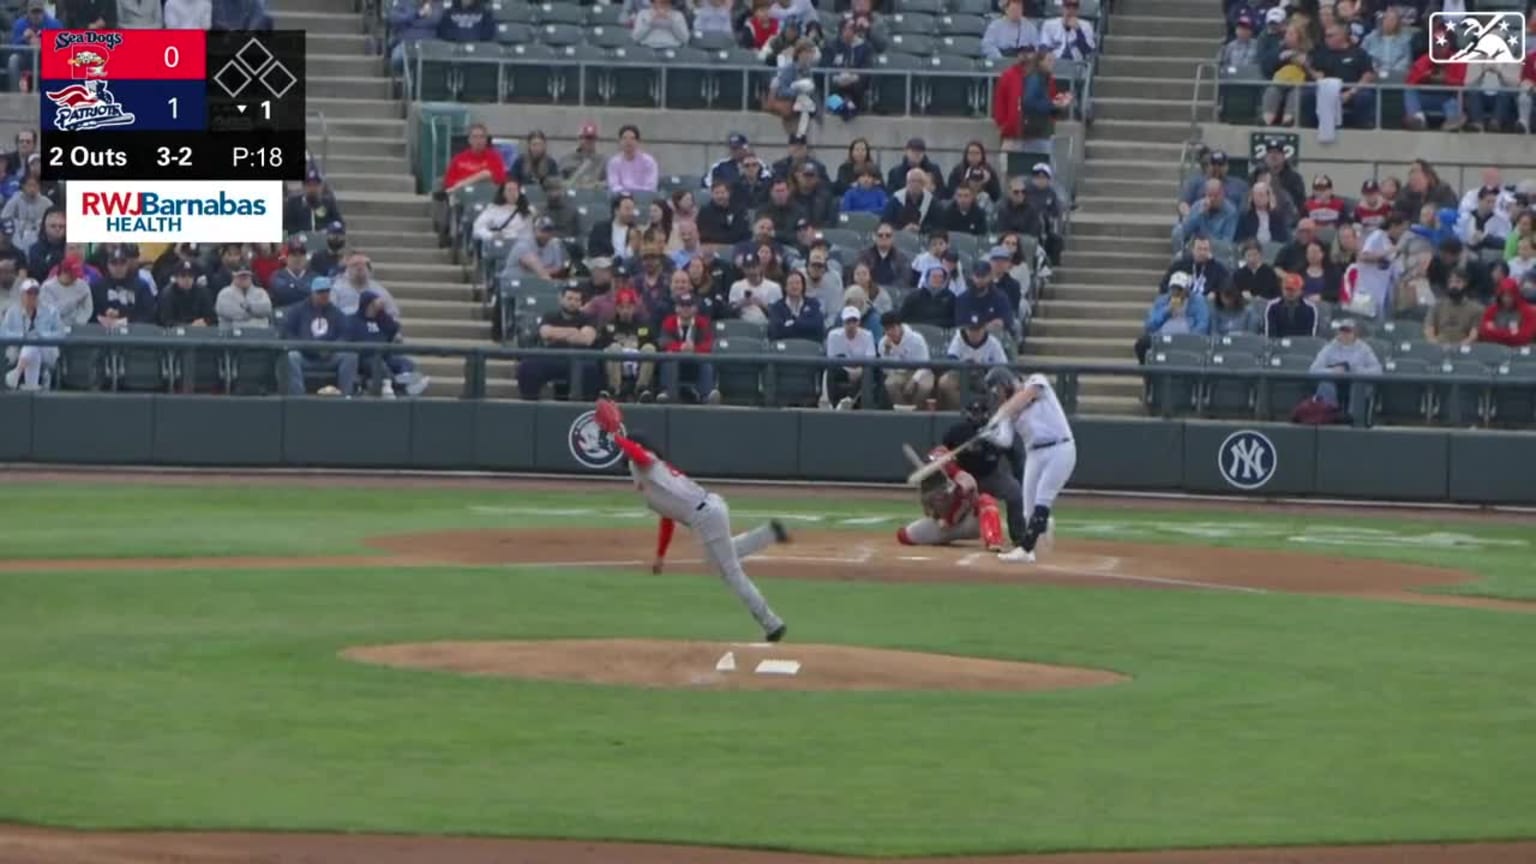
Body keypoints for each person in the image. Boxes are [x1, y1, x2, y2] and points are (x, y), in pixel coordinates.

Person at [591, 400, 789, 642]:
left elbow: (637, 453)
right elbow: (668, 518)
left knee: (730, 572)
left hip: (705, 515)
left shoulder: (648, 463)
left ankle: (772, 623)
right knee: (721, 559)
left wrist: (615, 437)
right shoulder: (651, 476)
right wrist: (660, 556)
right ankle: (768, 534)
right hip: (709, 511)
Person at [980, 366, 1075, 564]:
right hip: (1035, 454)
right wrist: (990, 436)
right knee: (1028, 511)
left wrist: (999, 415)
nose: (997, 395)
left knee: (1043, 497)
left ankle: (1025, 548)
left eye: (998, 389)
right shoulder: (1006, 410)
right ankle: (1040, 528)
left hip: (1060, 448)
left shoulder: (1035, 382)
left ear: (1006, 383)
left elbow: (1024, 398)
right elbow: (1005, 440)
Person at [943, 399, 1026, 551]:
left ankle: (1019, 536)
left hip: (991, 475)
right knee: (951, 507)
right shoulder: (957, 432)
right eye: (974, 413)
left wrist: (1021, 479)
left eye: (980, 413)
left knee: (1014, 491)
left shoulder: (998, 432)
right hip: (965, 478)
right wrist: (955, 473)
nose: (977, 417)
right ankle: (946, 525)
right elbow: (943, 453)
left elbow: (1015, 456)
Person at [896, 445, 1007, 551]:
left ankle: (994, 540)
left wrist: (956, 492)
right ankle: (941, 540)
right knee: (903, 535)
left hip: (967, 523)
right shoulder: (928, 485)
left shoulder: (963, 477)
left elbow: (966, 499)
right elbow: (930, 513)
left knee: (986, 499)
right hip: (943, 526)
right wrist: (937, 513)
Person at [347, 289, 431, 397]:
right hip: (367, 358)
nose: (377, 306)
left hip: (385, 355)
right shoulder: (353, 321)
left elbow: (393, 328)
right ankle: (401, 386)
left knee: (406, 363)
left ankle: (404, 380)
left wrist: (382, 313)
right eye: (374, 303)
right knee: (380, 366)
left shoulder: (381, 319)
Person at [283, 278, 359, 396]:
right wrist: (307, 348)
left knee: (350, 356)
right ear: (312, 293)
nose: (324, 295)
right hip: (305, 355)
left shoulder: (336, 312)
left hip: (330, 355)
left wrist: (332, 348)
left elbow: (345, 334)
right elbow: (288, 332)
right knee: (291, 357)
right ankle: (298, 398)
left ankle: (346, 396)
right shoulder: (298, 310)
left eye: (327, 292)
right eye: (320, 292)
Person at [1134, 271, 1211, 363]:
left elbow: (1202, 324)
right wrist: (1166, 312)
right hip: (1162, 337)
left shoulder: (1197, 301)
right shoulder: (1162, 301)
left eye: (1179, 289)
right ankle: (1148, 374)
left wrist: (1190, 339)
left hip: (1187, 338)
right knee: (1142, 344)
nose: (1176, 292)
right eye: (1173, 288)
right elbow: (1150, 325)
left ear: (1187, 289)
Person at [1309, 319, 1380, 417]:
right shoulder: (1329, 348)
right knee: (1325, 384)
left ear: (1355, 333)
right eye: (1342, 331)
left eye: (1348, 332)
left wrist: (1357, 371)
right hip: (1335, 381)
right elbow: (1313, 370)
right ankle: (1329, 416)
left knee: (1358, 385)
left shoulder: (1364, 349)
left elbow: (1377, 371)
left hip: (1355, 381)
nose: (1345, 335)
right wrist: (1332, 371)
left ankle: (1353, 418)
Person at [1, 278, 62, 391]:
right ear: (22, 295)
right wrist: (21, 336)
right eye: (29, 293)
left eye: (36, 293)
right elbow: (3, 333)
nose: (33, 296)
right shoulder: (12, 311)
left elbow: (60, 334)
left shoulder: (51, 311)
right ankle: (31, 388)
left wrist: (42, 336)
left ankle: (17, 373)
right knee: (32, 347)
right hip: (17, 349)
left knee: (33, 341)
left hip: (46, 349)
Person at [824, 304, 876, 410]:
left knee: (868, 372)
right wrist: (848, 372)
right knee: (831, 370)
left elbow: (871, 358)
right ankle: (833, 404)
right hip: (842, 370)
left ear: (859, 322)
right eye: (848, 322)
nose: (851, 325)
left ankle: (853, 401)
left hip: (861, 370)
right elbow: (831, 358)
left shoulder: (867, 335)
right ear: (843, 323)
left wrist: (859, 370)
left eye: (854, 321)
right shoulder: (833, 335)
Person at [878, 311, 932, 409]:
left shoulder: (917, 339)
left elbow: (925, 363)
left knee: (924, 387)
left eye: (893, 328)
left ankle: (917, 412)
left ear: (900, 326)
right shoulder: (883, 343)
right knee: (890, 384)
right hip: (899, 373)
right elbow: (886, 370)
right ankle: (903, 412)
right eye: (886, 329)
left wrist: (914, 380)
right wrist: (887, 352)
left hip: (921, 371)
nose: (890, 332)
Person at [1423, 269, 1484, 346]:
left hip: (1464, 349)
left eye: (1458, 282)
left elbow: (1473, 336)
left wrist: (1457, 348)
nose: (1453, 285)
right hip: (1439, 347)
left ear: (1465, 284)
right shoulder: (1437, 306)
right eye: (1450, 282)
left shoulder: (1476, 309)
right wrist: (1436, 345)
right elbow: (1429, 330)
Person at [1478, 278, 1536, 348]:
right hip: (1495, 348)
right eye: (1503, 295)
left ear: (1516, 295)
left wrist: (1496, 332)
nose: (1506, 299)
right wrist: (1511, 334)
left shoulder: (1528, 311)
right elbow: (1485, 331)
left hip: (1518, 350)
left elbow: (1525, 336)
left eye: (1510, 296)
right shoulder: (1491, 310)